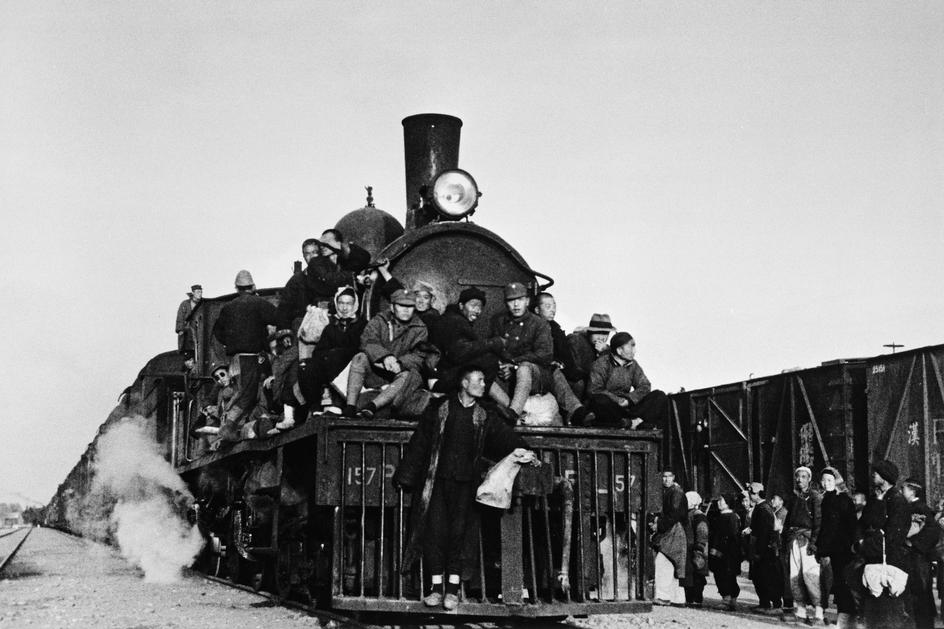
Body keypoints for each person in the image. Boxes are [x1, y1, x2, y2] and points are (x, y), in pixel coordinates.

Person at [393, 365, 530, 611]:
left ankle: (452, 591)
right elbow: (420, 442)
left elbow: (504, 437)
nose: (484, 385)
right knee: (435, 533)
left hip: (466, 486)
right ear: (464, 384)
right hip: (436, 483)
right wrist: (407, 475)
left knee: (459, 535)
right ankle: (436, 590)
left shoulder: (484, 415)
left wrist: (524, 449)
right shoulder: (439, 409)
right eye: (479, 380)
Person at [488, 282, 592, 425]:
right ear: (506, 303)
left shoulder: (539, 324)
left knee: (524, 368)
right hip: (509, 373)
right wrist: (501, 366)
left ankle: (514, 412)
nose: (516, 304)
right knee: (482, 372)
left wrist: (513, 365)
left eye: (520, 299)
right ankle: (515, 411)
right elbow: (494, 348)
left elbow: (544, 354)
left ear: (527, 301)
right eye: (511, 301)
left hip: (536, 374)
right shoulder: (498, 322)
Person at [212, 270, 278, 438]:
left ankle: (239, 426)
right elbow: (277, 318)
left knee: (241, 393)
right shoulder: (259, 303)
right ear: (253, 286)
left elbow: (218, 332)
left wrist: (232, 341)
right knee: (247, 395)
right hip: (249, 359)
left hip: (235, 360)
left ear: (237, 288)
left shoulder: (227, 307)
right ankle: (228, 427)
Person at [344, 288, 427, 419]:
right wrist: (385, 357)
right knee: (360, 357)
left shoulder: (420, 328)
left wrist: (400, 363)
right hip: (377, 370)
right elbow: (368, 341)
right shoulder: (379, 321)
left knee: (410, 375)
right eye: (401, 305)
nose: (406, 310)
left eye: (410, 306)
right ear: (392, 307)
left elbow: (420, 355)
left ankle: (371, 407)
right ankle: (350, 407)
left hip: (398, 375)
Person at [851, 460, 912, 629]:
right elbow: (862, 524)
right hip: (872, 560)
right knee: (873, 610)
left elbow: (893, 535)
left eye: (876, 473)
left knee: (889, 613)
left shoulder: (897, 501)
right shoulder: (875, 498)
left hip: (889, 562)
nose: (873, 475)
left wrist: (866, 545)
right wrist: (859, 541)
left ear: (885, 477)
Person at [277, 232, 370, 330]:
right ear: (303, 256)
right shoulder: (297, 280)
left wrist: (342, 245)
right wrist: (284, 332)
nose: (312, 257)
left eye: (315, 252)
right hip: (307, 324)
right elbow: (284, 308)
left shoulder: (335, 271)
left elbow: (363, 258)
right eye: (307, 254)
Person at [298, 286, 366, 411]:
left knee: (335, 357)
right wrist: (329, 355)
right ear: (336, 304)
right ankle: (315, 407)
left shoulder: (362, 325)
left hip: (351, 365)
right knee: (305, 366)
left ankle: (336, 404)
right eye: (341, 303)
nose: (344, 308)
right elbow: (318, 352)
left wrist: (336, 353)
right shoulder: (331, 327)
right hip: (330, 364)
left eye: (348, 304)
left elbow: (361, 348)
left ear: (355, 305)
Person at [428, 287, 506, 395]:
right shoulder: (454, 321)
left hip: (443, 376)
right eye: (473, 306)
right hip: (439, 380)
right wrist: (493, 343)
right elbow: (458, 353)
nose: (477, 311)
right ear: (461, 306)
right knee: (489, 360)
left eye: (480, 307)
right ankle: (482, 400)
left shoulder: (455, 319)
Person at [587, 332, 667, 429]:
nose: (634, 350)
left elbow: (645, 385)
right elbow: (595, 390)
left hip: (628, 407)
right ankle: (631, 423)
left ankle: (632, 422)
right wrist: (618, 400)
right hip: (611, 407)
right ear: (619, 350)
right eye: (631, 347)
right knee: (599, 401)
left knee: (659, 395)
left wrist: (629, 400)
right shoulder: (601, 363)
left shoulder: (633, 365)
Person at [783, 466, 824, 625]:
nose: (799, 480)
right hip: (794, 539)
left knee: (810, 575)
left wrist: (814, 542)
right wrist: (785, 539)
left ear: (809, 479)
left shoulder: (815, 497)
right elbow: (788, 521)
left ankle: (819, 613)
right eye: (798, 477)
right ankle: (801, 611)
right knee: (795, 576)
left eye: (803, 477)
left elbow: (818, 522)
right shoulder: (793, 497)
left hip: (807, 540)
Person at [817, 466, 857, 628]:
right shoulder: (825, 499)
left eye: (829, 480)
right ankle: (843, 619)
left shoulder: (844, 500)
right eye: (823, 480)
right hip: (832, 549)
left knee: (843, 583)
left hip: (843, 548)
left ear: (837, 481)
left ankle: (844, 620)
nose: (826, 483)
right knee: (837, 584)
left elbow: (849, 525)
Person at [902, 478, 939, 629]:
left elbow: (933, 532)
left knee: (920, 594)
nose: (901, 492)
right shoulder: (911, 507)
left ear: (912, 491)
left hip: (918, 559)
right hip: (914, 557)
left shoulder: (920, 508)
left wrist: (914, 545)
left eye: (903, 489)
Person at [745, 481, 783, 615]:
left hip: (765, 551)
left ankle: (775, 605)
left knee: (768, 577)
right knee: (760, 577)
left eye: (752, 493)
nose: (750, 495)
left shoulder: (763, 509)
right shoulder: (761, 507)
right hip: (762, 549)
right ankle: (764, 603)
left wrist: (759, 552)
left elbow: (765, 533)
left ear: (759, 494)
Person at [652, 469, 688, 605]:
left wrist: (658, 525)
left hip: (673, 530)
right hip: (673, 529)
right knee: (672, 564)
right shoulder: (672, 491)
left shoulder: (675, 492)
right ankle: (677, 598)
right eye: (664, 477)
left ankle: (663, 596)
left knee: (663, 562)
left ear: (673, 477)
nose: (666, 479)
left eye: (669, 476)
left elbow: (674, 514)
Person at [566, 313, 615, 399]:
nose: (601, 338)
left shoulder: (607, 349)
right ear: (590, 331)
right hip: (576, 387)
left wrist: (605, 353)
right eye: (597, 333)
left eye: (605, 333)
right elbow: (577, 372)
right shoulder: (576, 341)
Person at [531, 292, 577, 381]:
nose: (553, 310)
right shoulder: (531, 328)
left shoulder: (555, 328)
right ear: (537, 310)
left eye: (554, 306)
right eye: (548, 306)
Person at [708, 492, 742, 610]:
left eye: (721, 500)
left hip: (725, 553)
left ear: (727, 503)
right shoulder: (728, 516)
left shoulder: (729, 517)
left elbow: (730, 536)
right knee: (727, 575)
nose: (718, 502)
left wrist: (718, 549)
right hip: (726, 553)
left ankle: (727, 599)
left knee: (723, 574)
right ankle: (731, 600)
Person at [682, 491, 709, 607]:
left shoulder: (698, 516)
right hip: (690, 549)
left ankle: (696, 599)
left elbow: (702, 532)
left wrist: (699, 548)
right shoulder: (689, 514)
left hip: (696, 550)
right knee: (691, 575)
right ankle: (691, 598)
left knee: (697, 575)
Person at [175, 284, 202, 352]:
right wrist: (180, 330)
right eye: (198, 292)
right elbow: (180, 317)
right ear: (193, 293)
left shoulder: (203, 304)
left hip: (199, 329)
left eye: (201, 292)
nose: (200, 294)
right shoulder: (185, 304)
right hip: (188, 330)